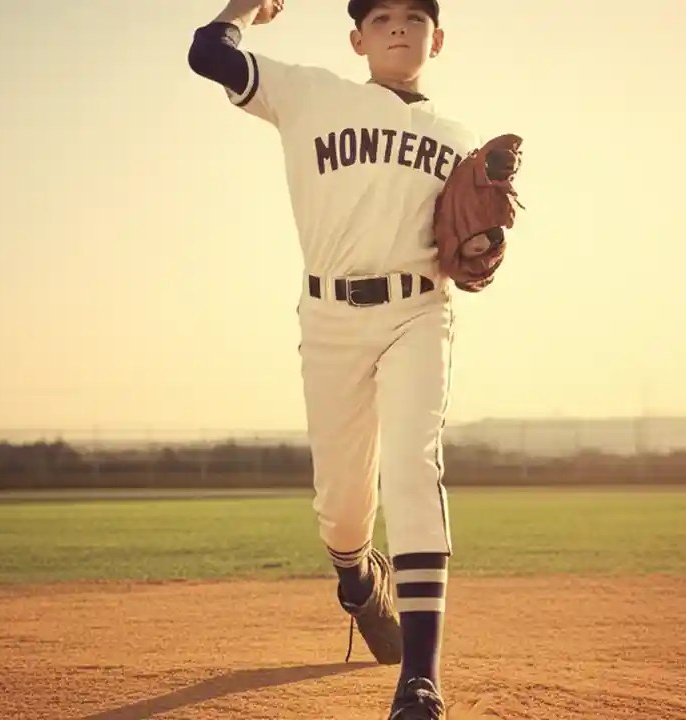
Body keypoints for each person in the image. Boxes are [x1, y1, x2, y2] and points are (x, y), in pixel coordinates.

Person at [189, 2, 493, 717]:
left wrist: (481, 256)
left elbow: (471, 254)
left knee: (414, 466)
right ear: (356, 37)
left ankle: (420, 679)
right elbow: (207, 54)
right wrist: (243, 7)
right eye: (380, 15)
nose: (397, 26)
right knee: (343, 510)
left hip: (419, 311)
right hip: (329, 318)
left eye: (414, 17)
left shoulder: (458, 140)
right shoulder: (311, 94)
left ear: (437, 40)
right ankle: (359, 583)